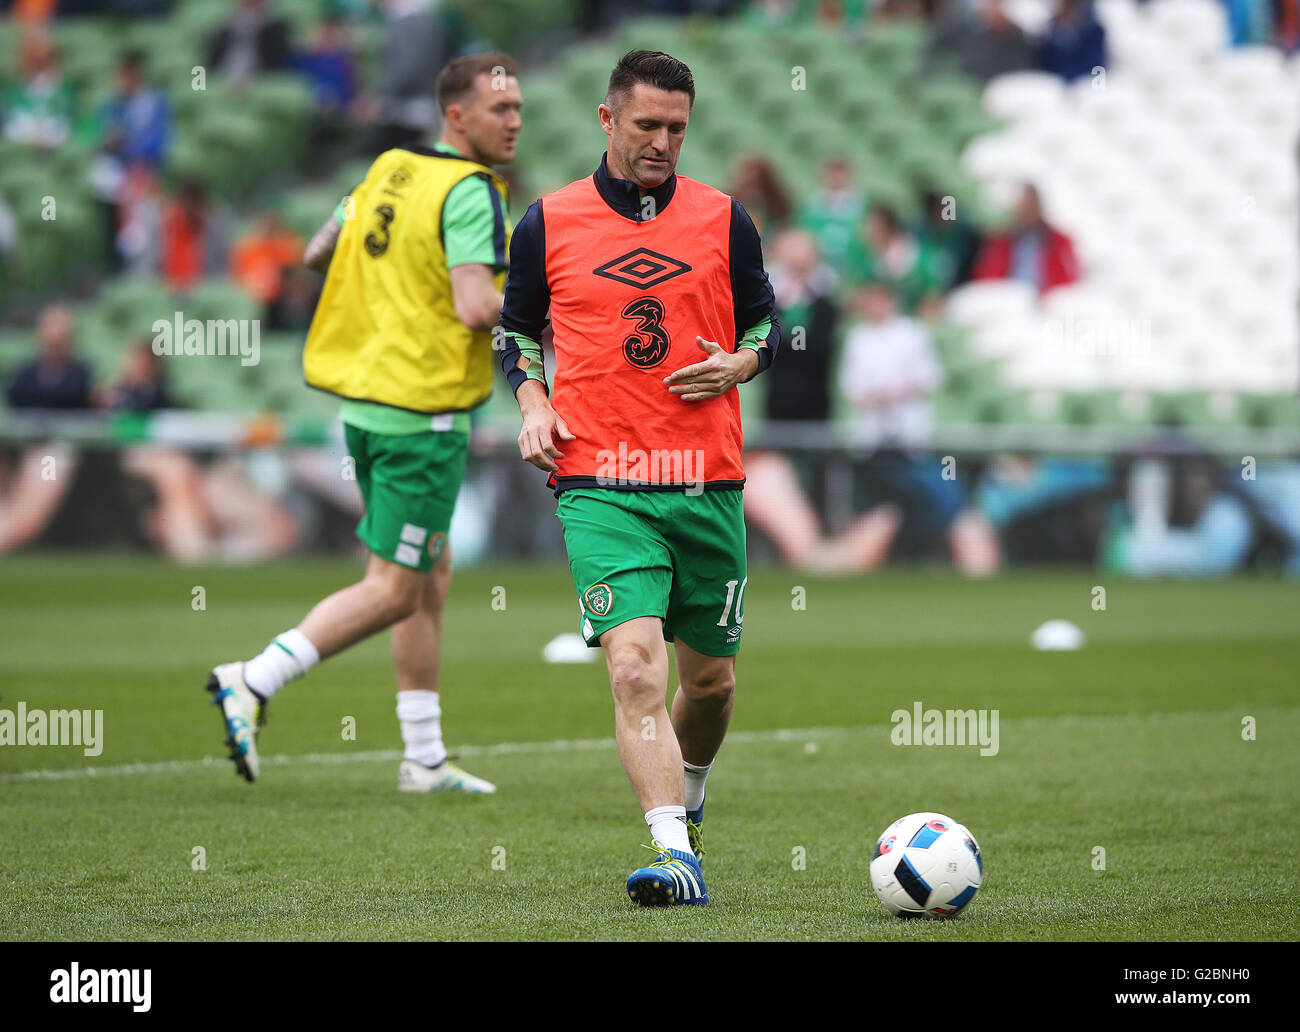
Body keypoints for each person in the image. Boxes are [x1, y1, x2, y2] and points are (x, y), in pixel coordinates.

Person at [499, 50, 779, 905]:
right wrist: (533, 403)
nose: (663, 142)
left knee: (712, 684)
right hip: (599, 479)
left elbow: (767, 323)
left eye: (678, 129)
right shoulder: (548, 223)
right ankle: (673, 856)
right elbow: (513, 333)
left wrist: (740, 363)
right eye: (648, 125)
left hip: (706, 481)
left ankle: (689, 795)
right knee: (632, 669)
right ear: (607, 119)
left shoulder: (726, 219)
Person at [205, 53, 522, 794]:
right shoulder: (472, 190)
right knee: (394, 588)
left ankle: (424, 757)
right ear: (456, 117)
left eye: (517, 109)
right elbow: (477, 305)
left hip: (366, 406)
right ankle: (253, 677)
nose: (513, 122)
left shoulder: (388, 169)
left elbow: (317, 251)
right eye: (498, 110)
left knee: (428, 576)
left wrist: (392, 296)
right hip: (424, 417)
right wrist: (558, 316)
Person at [822, 281, 999, 575]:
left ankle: (967, 560)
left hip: (909, 443)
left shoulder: (912, 333)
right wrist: (876, 396)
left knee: (940, 502)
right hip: (873, 445)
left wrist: (894, 392)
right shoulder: (858, 338)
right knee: (890, 512)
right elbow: (851, 388)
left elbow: (928, 378)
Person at [743, 225, 840, 566]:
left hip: (815, 412)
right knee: (774, 481)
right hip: (777, 412)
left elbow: (821, 351)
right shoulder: (771, 301)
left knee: (817, 483)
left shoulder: (825, 304)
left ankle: (814, 546)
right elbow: (766, 349)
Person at [971, 182, 1079, 296]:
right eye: (1023, 206)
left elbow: (1069, 281)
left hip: (1045, 302)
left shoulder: (1059, 241)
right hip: (1007, 299)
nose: (1026, 212)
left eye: (1030, 206)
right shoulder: (1000, 242)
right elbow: (986, 279)